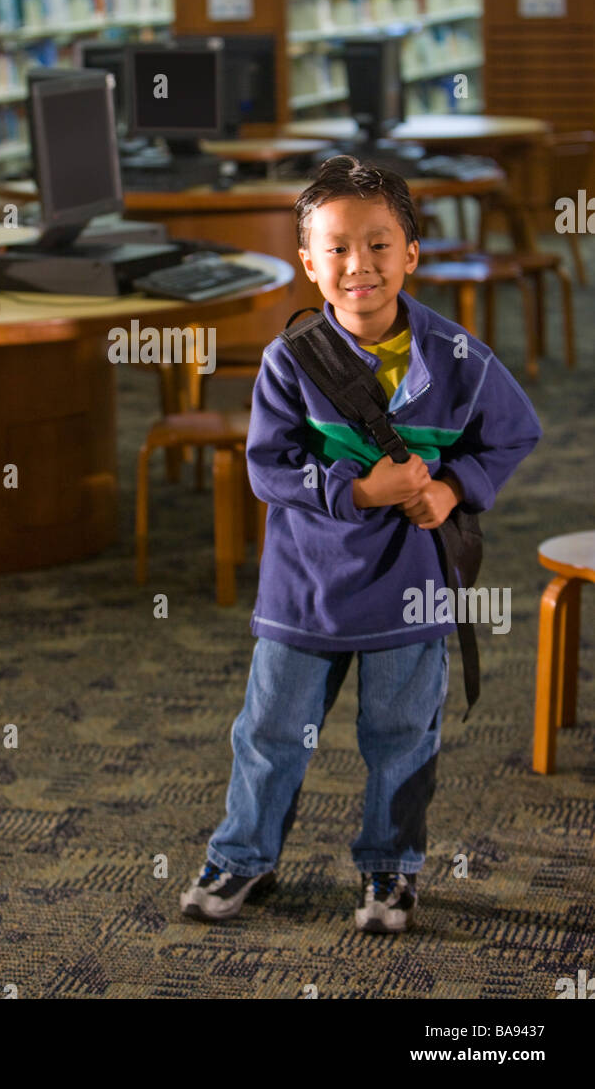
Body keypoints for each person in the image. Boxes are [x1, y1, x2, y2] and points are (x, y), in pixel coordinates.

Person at [180, 156, 542, 932]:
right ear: (309, 264)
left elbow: (514, 435)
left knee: (403, 737)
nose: (360, 266)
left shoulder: (459, 360)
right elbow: (268, 468)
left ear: (412, 252)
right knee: (270, 732)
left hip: (410, 592)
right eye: (337, 248)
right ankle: (243, 857)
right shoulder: (288, 362)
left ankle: (391, 870)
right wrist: (359, 492)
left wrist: (451, 488)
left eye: (380, 245)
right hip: (302, 591)